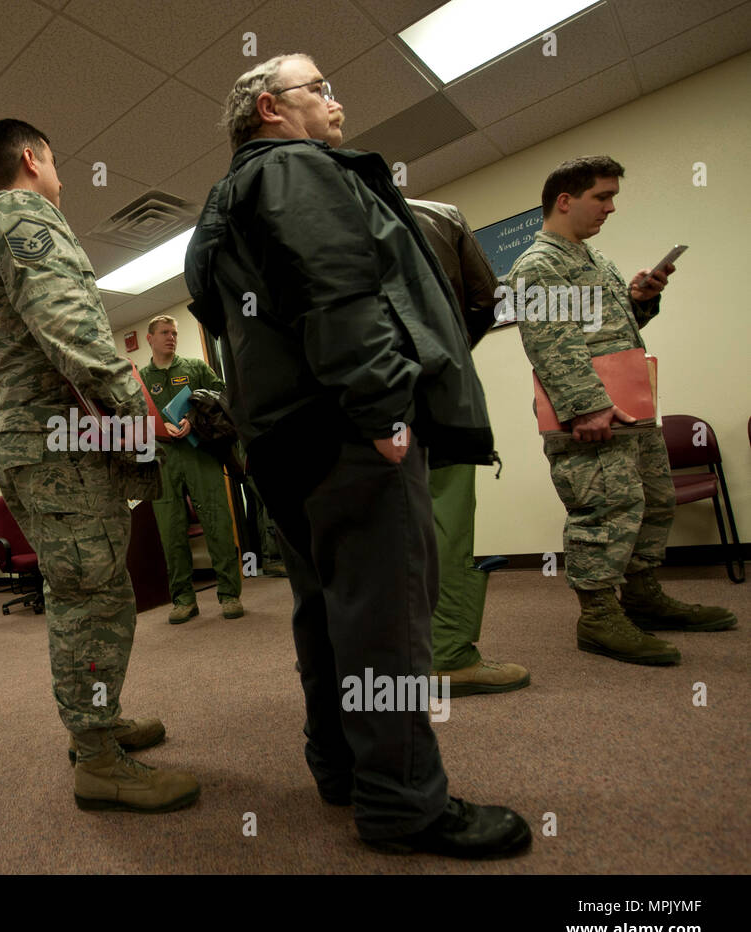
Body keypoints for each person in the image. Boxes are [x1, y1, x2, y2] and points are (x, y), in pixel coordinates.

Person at [185, 53, 528, 857]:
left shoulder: (221, 205)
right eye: (320, 89)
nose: (337, 102)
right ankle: (402, 803)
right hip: (348, 426)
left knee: (329, 613)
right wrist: (381, 407)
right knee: (388, 617)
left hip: (284, 438)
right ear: (270, 107)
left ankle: (339, 764)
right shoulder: (297, 169)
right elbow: (337, 288)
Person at [0, 117, 197, 813]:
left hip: (57, 439)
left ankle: (100, 718)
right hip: (54, 441)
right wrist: (139, 412)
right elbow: (71, 327)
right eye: (57, 164)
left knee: (96, 589)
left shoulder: (0, 222)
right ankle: (96, 756)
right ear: (32, 159)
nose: (61, 178)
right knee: (90, 595)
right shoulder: (20, 211)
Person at [509, 156, 736, 664]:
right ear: (564, 200)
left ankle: (641, 596)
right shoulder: (539, 264)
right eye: (602, 197)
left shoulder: (596, 261)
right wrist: (587, 408)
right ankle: (598, 617)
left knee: (652, 502)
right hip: (589, 414)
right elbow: (551, 341)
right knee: (604, 509)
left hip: (630, 408)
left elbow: (608, 335)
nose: (611, 208)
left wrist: (639, 300)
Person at [408, 198, 531, 697]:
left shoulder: (312, 216)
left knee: (375, 534)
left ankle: (383, 657)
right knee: (445, 523)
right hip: (435, 397)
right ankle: (447, 657)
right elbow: (484, 302)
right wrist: (446, 357)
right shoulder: (436, 215)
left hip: (354, 406)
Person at [140, 315, 244, 623]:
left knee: (218, 522)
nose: (171, 337)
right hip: (163, 458)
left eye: (174, 332)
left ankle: (229, 595)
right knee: (171, 531)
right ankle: (183, 599)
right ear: (150, 339)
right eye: (164, 333)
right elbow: (131, 418)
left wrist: (193, 420)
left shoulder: (195, 368)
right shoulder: (141, 378)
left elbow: (225, 398)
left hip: (200, 454)